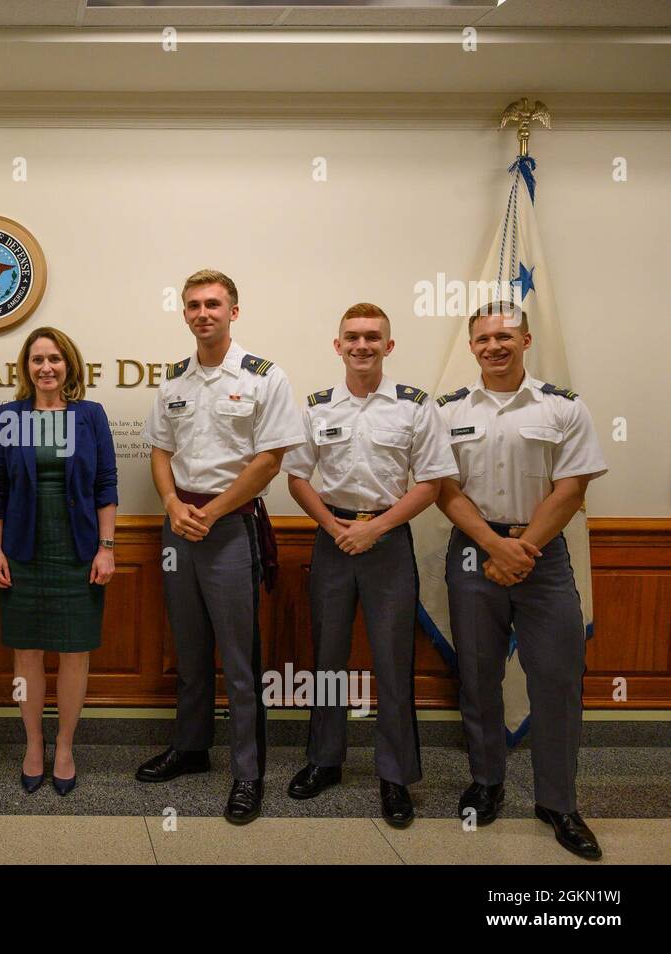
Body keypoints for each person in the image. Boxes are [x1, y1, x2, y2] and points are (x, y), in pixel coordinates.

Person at [435, 301, 607, 860]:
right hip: (474, 552)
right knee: (479, 673)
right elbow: (444, 489)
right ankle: (487, 783)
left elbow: (572, 487)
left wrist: (521, 549)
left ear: (526, 341)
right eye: (484, 339)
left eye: (505, 336)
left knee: (556, 679)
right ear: (472, 348)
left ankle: (557, 802)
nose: (495, 346)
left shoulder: (563, 406)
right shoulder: (447, 410)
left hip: (542, 556)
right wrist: (492, 545)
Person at [281, 303, 458, 826]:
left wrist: (374, 529)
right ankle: (324, 761)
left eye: (373, 337)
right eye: (352, 337)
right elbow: (297, 478)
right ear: (337, 345)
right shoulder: (314, 407)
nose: (362, 345)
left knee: (392, 660)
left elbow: (431, 481)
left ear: (389, 345)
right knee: (328, 655)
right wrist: (337, 529)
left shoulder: (414, 406)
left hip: (388, 541)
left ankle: (396, 775)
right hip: (331, 539)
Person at [137, 269, 302, 825]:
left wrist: (211, 511)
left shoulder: (264, 376)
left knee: (238, 657)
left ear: (234, 310)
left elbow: (270, 459)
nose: (202, 313)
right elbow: (161, 449)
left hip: (229, 526)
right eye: (193, 305)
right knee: (188, 648)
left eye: (213, 304)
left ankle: (248, 772)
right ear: (183, 313)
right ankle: (190, 748)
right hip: (179, 523)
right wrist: (171, 503)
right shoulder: (174, 380)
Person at [0, 328, 118, 796]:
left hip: (78, 549)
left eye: (55, 359)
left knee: (75, 651)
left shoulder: (90, 415)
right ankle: (33, 744)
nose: (46, 367)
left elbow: (106, 484)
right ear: (26, 367)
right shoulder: (11, 415)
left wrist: (107, 547)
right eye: (38, 359)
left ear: (69, 365)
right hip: (23, 548)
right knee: (27, 653)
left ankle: (65, 746)